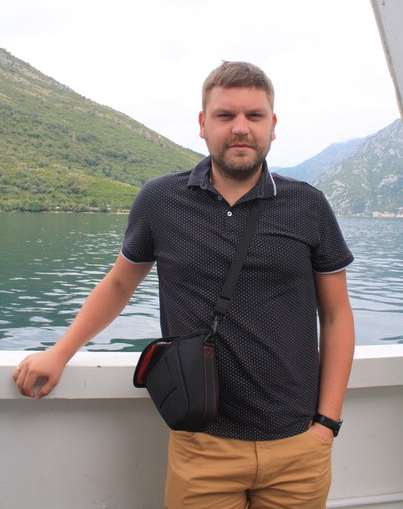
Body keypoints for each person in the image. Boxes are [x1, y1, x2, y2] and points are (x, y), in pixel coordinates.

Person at [13, 61, 355, 508]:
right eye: (225, 115)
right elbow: (118, 285)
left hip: (298, 445)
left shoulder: (308, 206)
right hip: (201, 445)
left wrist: (326, 423)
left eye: (254, 116)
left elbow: (336, 315)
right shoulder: (160, 200)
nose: (240, 128)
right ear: (202, 124)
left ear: (273, 126)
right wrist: (60, 353)